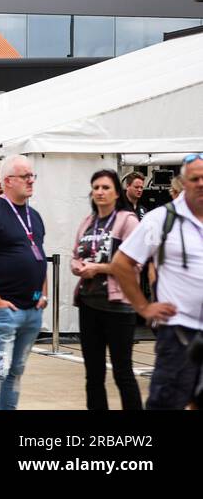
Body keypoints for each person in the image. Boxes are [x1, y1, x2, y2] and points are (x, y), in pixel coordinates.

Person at [111, 154, 203, 410]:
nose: (201, 184)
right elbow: (121, 263)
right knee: (167, 402)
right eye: (195, 178)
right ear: (183, 182)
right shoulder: (160, 219)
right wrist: (144, 307)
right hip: (178, 331)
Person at [0, 154, 49, 411]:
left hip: (32, 309)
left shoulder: (34, 216)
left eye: (32, 175)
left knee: (16, 371)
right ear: (8, 180)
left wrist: (43, 295)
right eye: (25, 176)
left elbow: (39, 256)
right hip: (3, 309)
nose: (31, 181)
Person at [70, 169, 141, 411]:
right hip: (89, 303)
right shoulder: (88, 222)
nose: (100, 192)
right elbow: (76, 254)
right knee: (93, 374)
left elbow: (135, 263)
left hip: (118, 305)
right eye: (96, 188)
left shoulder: (127, 221)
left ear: (116, 193)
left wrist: (98, 268)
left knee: (123, 372)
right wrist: (77, 266)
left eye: (106, 187)